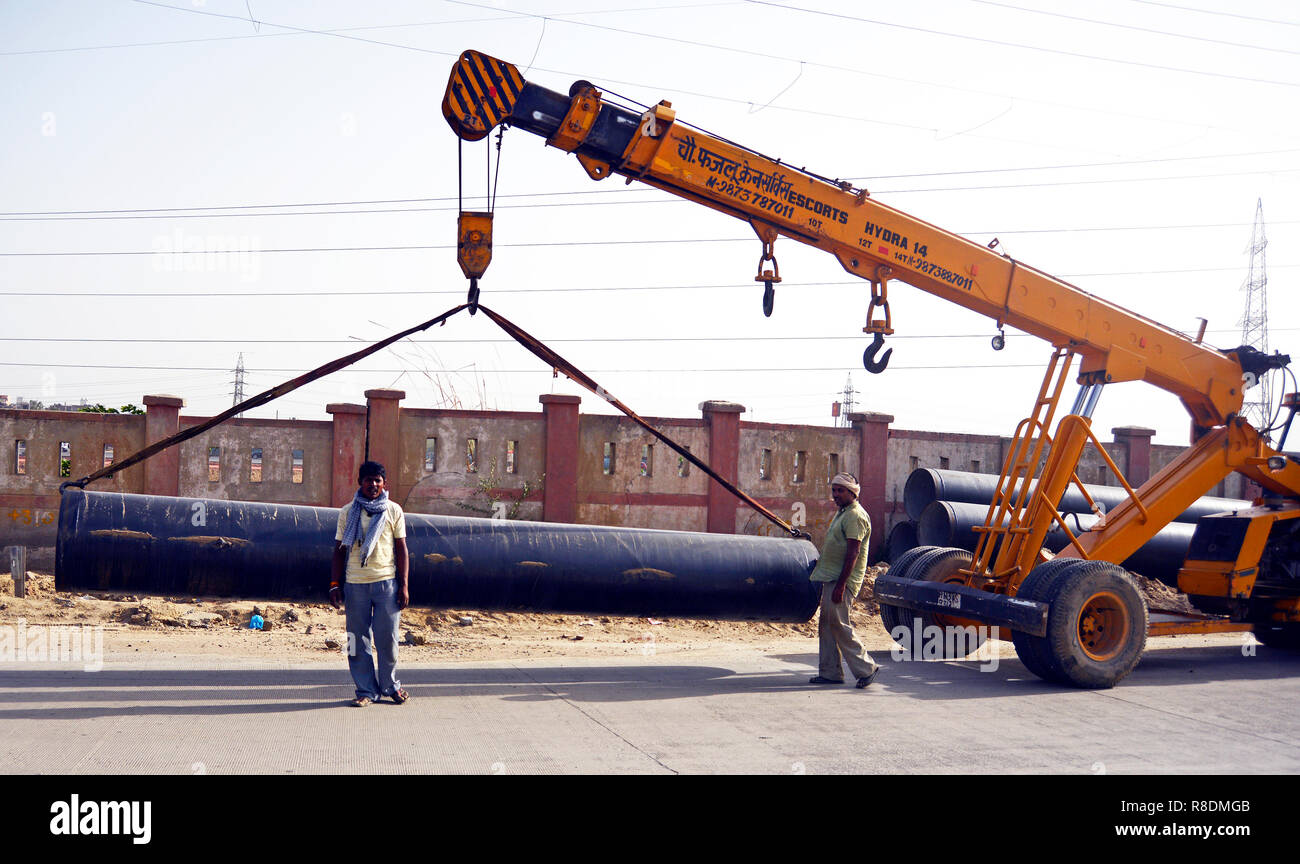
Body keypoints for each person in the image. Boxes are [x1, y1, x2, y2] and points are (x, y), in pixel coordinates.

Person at [329, 460, 410, 707]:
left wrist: (404, 585)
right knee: (356, 640)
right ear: (360, 483)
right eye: (368, 480)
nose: (373, 485)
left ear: (385, 484)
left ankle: (390, 686)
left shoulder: (394, 511)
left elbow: (402, 549)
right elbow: (340, 551)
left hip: (386, 584)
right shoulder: (347, 512)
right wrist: (335, 583)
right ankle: (365, 690)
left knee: (388, 639)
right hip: (355, 585)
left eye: (377, 480)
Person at [808, 472, 881, 689]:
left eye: (840, 490)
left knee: (839, 624)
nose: (836, 494)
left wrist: (841, 585)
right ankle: (830, 672)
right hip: (832, 578)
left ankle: (867, 668)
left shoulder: (855, 516)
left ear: (852, 493)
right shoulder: (843, 513)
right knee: (827, 625)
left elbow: (853, 552)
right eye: (834, 490)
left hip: (843, 581)